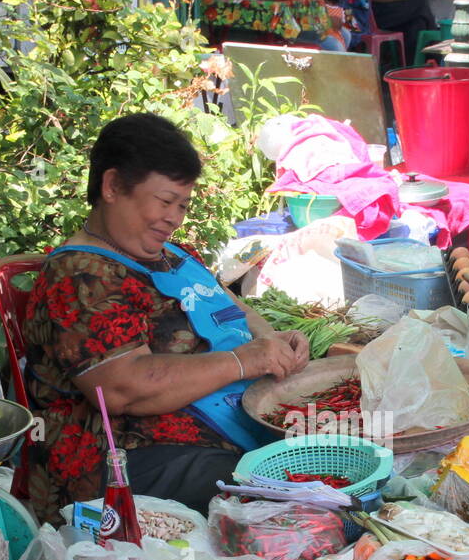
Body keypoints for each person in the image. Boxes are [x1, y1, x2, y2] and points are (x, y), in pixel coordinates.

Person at [21, 113, 309, 525]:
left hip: (221, 426)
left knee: (335, 450)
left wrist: (275, 342)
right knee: (283, 499)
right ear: (112, 186)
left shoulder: (172, 255)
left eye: (183, 205)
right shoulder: (81, 274)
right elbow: (124, 388)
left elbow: (238, 311)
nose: (174, 218)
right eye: (165, 201)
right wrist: (246, 361)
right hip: (124, 458)